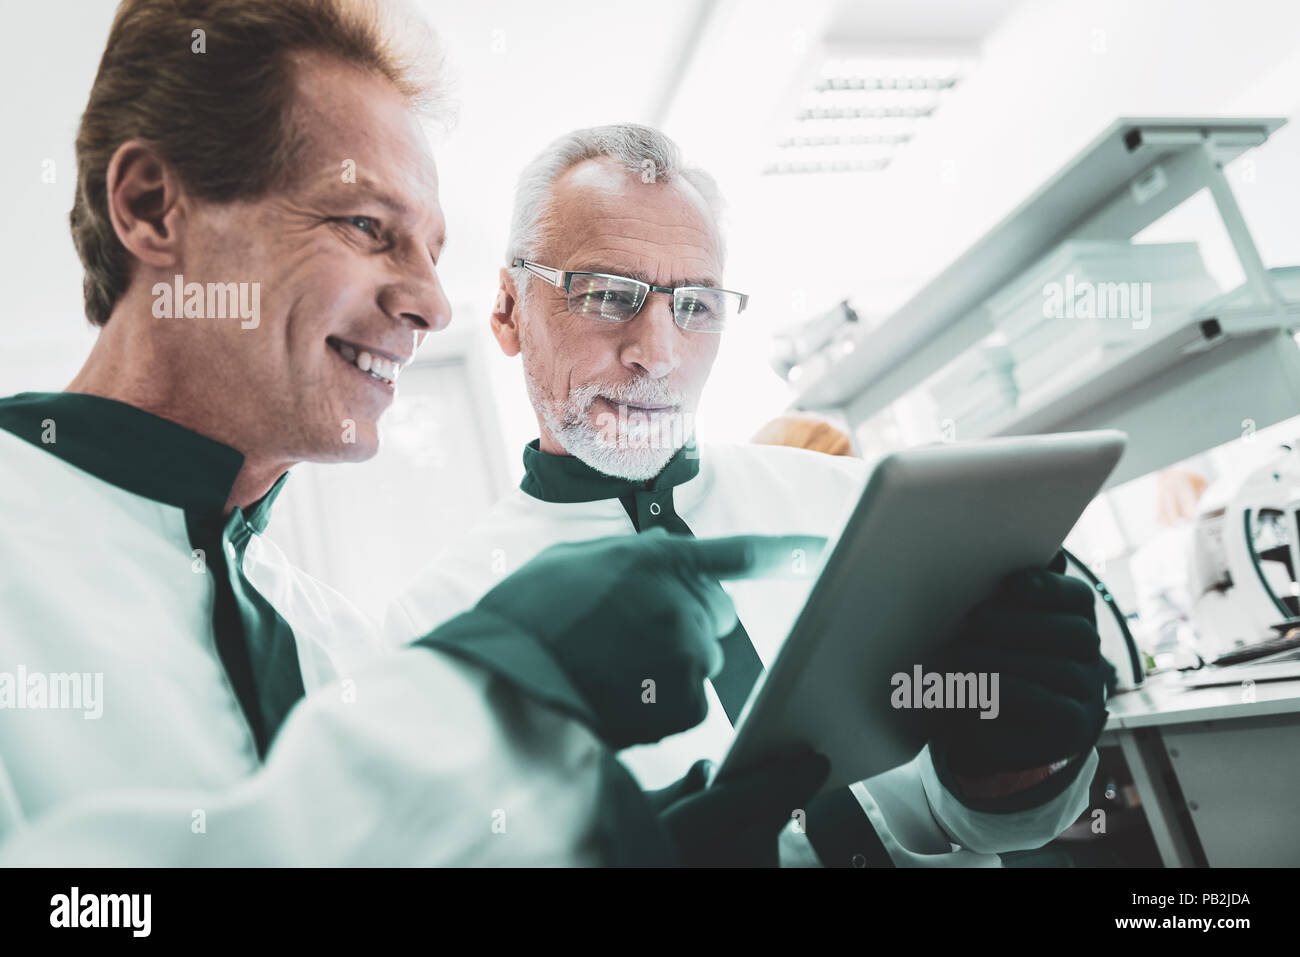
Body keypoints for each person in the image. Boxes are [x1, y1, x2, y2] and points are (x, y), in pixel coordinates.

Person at [0, 0, 826, 867]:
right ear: (152, 207)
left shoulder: (336, 644)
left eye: (432, 250)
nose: (433, 304)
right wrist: (473, 700)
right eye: (366, 226)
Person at [388, 123, 1113, 867]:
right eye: (607, 294)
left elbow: (997, 825)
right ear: (508, 310)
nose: (659, 354)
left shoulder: (861, 507)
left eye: (695, 306)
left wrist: (1020, 765)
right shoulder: (438, 627)